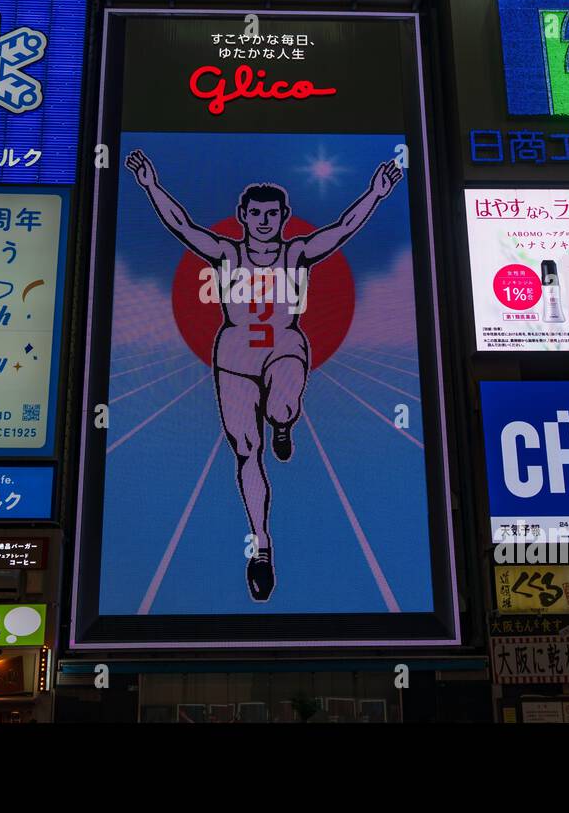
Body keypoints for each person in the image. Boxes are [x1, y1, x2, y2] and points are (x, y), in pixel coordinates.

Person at [127, 148, 401, 602]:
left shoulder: (297, 253)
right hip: (234, 354)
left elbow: (342, 229)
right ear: (242, 215)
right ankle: (261, 547)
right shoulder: (225, 253)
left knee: (282, 405)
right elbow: (181, 225)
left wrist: (375, 194)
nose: (263, 221)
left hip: (285, 346)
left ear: (283, 217)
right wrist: (151, 186)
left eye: (271, 214)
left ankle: (283, 422)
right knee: (246, 451)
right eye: (255, 213)